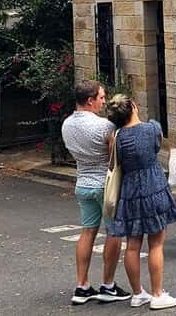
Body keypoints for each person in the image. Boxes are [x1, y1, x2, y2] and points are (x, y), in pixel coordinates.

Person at [106, 94, 176, 310]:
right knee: (156, 243)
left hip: (129, 190)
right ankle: (158, 294)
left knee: (132, 244)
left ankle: (138, 292)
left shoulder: (117, 137)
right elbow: (156, 148)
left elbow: (114, 160)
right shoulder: (152, 129)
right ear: (134, 107)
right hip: (153, 185)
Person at [60, 80, 130, 305]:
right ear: (90, 100)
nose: (103, 101)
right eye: (101, 97)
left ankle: (82, 285)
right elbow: (114, 158)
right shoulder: (105, 127)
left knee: (87, 231)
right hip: (104, 186)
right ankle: (108, 285)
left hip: (83, 183)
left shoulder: (66, 125)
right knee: (114, 232)